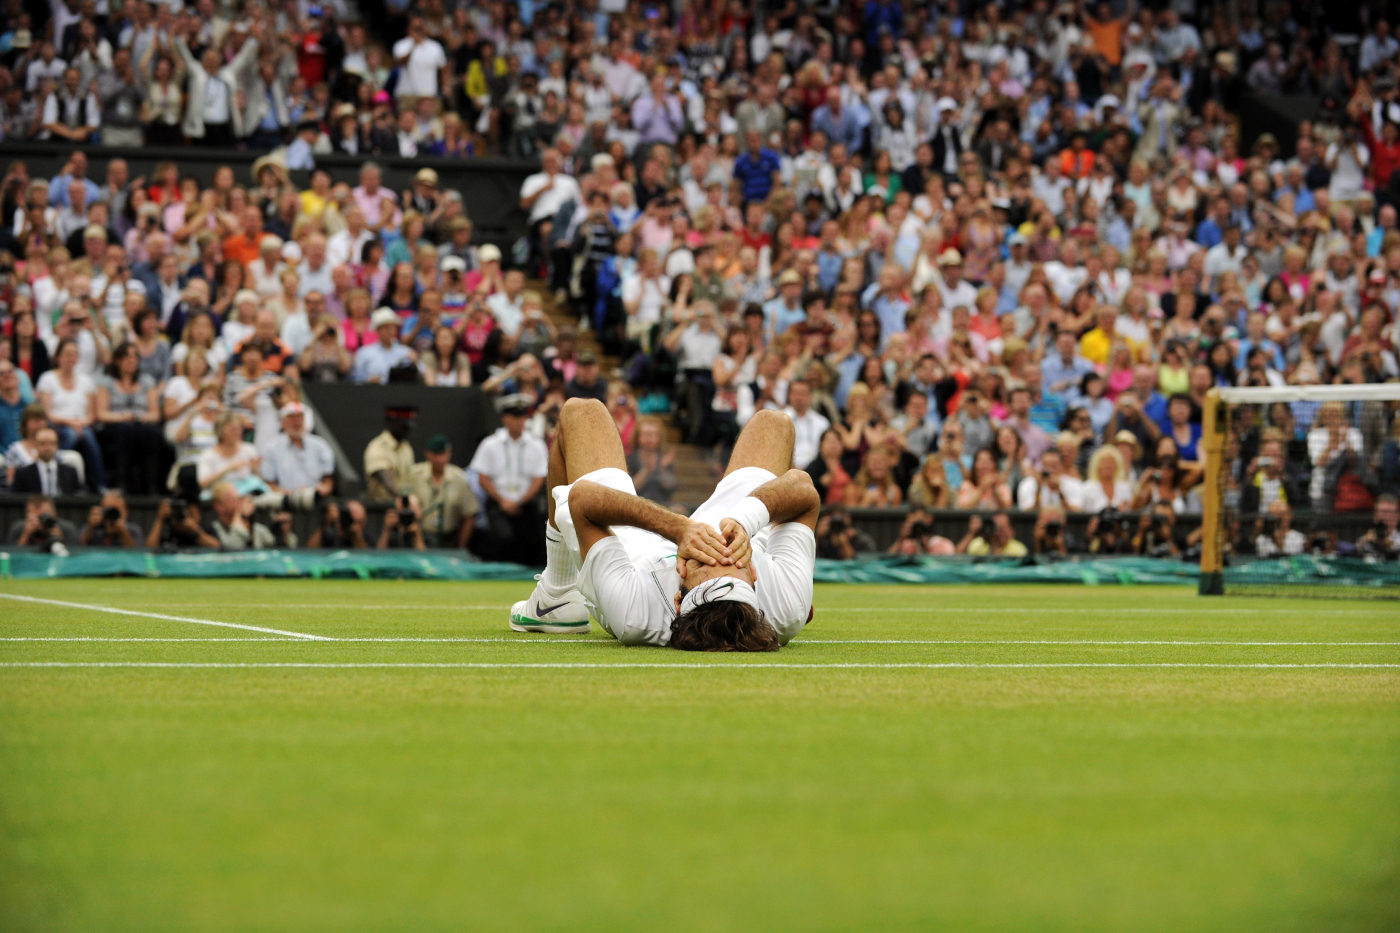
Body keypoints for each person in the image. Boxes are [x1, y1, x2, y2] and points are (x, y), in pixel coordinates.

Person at [508, 398, 818, 650]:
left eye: (703, 565)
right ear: (753, 575)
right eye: (731, 560)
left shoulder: (634, 612)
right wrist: (745, 521)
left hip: (633, 560)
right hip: (738, 526)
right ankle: (731, 545)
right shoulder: (784, 606)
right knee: (774, 424)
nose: (716, 551)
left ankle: (556, 594)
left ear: (678, 598)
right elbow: (803, 489)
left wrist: (677, 528)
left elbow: (582, 500)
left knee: (581, 413)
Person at [469, 394, 549, 564]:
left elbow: (538, 478)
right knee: (503, 537)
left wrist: (520, 501)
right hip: (498, 503)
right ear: (504, 418)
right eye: (514, 416)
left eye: (522, 416)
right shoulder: (490, 444)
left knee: (532, 540)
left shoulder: (537, 445)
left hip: (526, 504)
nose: (519, 421)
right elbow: (482, 478)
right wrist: (502, 500)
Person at [408, 434, 479, 549]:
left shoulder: (459, 478)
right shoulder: (414, 475)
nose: (440, 460)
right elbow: (401, 498)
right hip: (420, 536)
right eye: (436, 455)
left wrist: (461, 546)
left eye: (443, 454)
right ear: (427, 454)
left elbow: (469, 513)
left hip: (448, 539)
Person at [259, 402, 336, 510]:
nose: (297, 422)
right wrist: (295, 495)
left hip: (316, 503)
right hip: (284, 505)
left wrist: (324, 489)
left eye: (300, 418)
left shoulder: (320, 445)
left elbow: (328, 480)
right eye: (292, 418)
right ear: (283, 422)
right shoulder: (271, 449)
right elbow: (269, 485)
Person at [364, 407, 417, 502]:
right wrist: (405, 499)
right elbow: (387, 481)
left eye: (409, 427)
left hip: (403, 506)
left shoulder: (406, 448)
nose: (407, 431)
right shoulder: (377, 447)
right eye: (404, 426)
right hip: (382, 508)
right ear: (391, 423)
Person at [352, 308, 416, 384]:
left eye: (393, 327)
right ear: (378, 330)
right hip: (373, 393)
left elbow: (423, 370)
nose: (391, 331)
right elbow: (356, 381)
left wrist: (415, 363)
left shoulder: (407, 352)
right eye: (387, 328)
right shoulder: (364, 352)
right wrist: (369, 382)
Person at [11, 426, 81, 495]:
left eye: (51, 443)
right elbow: (17, 500)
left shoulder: (70, 472)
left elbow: (78, 496)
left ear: (57, 445)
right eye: (42, 443)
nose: (47, 448)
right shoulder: (23, 474)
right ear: (35, 445)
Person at [7, 495, 79, 548]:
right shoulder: (18, 529)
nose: (40, 522)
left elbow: (74, 560)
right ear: (27, 517)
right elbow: (11, 558)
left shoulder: (67, 529)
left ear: (54, 515)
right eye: (35, 517)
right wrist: (25, 536)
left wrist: (60, 540)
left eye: (43, 516)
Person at [957, 513, 1028, 557]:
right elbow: (957, 556)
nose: (998, 533)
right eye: (996, 528)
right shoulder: (978, 544)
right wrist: (972, 533)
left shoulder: (1018, 550)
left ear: (1012, 531)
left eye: (1002, 529)